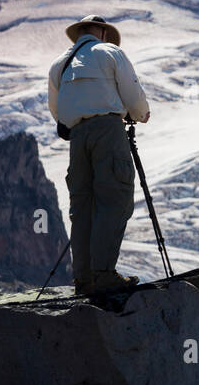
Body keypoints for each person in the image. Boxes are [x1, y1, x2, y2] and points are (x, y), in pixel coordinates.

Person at [47, 15, 151, 295]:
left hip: (77, 138)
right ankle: (104, 274)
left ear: (78, 35)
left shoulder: (60, 64)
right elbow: (132, 91)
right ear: (103, 33)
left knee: (82, 208)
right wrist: (141, 115)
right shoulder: (111, 52)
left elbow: (56, 109)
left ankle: (83, 279)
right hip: (108, 131)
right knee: (114, 199)